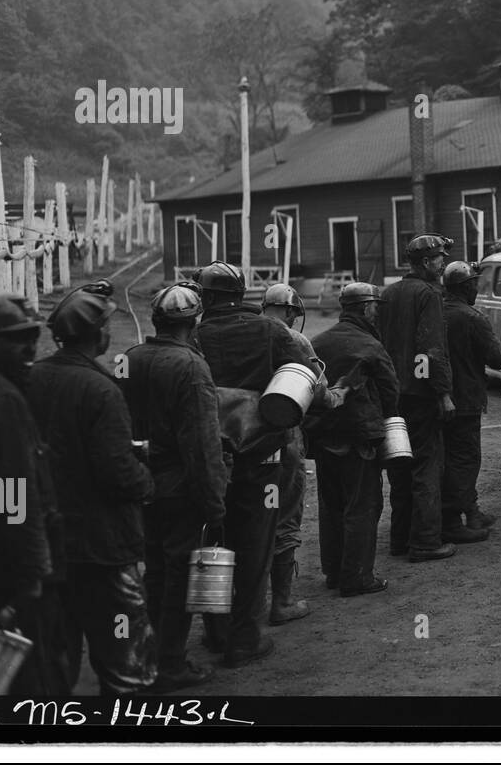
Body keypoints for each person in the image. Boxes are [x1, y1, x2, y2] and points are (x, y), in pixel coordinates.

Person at [26, 289, 156, 696]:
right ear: (95, 334)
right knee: (124, 659)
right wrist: (146, 479)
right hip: (104, 546)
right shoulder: (101, 390)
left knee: (59, 656)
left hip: (54, 544)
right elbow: (119, 473)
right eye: (105, 327)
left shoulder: (32, 378)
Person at [194, 260, 312, 667]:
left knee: (211, 541)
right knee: (255, 544)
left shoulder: (192, 334)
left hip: (208, 458)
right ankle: (245, 637)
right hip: (263, 458)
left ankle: (214, 631)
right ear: (240, 294)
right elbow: (308, 375)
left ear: (206, 297)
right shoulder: (271, 330)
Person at [122, 282, 230, 692]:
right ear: (195, 321)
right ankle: (170, 662)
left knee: (153, 574)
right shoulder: (191, 367)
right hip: (181, 490)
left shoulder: (129, 358)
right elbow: (202, 445)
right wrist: (215, 502)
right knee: (180, 577)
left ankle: (148, 656)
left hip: (143, 486)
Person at [0, 295, 69, 702]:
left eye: (34, 337)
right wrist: (34, 573)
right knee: (37, 674)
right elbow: (21, 494)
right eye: (19, 339)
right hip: (17, 572)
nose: (32, 349)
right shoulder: (3, 400)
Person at [310, 282, 400, 595]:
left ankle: (334, 572)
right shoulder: (370, 344)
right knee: (362, 506)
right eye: (375, 306)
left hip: (323, 437)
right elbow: (391, 392)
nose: (377, 313)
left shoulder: (317, 342)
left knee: (331, 504)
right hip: (360, 438)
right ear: (365, 308)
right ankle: (357, 577)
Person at [260, 282, 340, 624]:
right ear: (292, 312)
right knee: (285, 514)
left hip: (235, 440)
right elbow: (318, 391)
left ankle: (238, 609)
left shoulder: (219, 333)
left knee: (243, 521)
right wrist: (337, 396)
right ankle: (282, 601)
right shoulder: (294, 340)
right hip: (281, 439)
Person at [380, 233, 462, 562]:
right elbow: (430, 349)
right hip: (420, 394)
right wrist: (442, 393)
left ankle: (399, 540)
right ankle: (426, 541)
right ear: (426, 263)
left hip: (393, 394)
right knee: (426, 467)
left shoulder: (389, 293)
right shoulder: (427, 294)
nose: (443, 263)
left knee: (399, 468)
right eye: (440, 258)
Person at [442, 261, 501, 531]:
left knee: (447, 458)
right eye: (474, 284)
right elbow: (498, 358)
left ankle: (470, 510)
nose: (476, 288)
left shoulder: (434, 312)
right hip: (465, 399)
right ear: (466, 287)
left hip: (438, 398)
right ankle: (454, 520)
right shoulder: (472, 317)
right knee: (466, 460)